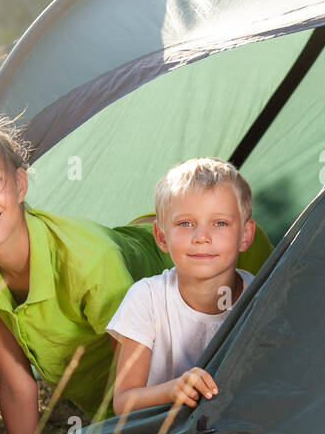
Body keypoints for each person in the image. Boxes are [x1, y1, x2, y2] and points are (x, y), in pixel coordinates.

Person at [0, 117, 269, 434]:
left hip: (199, 270)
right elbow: (16, 380)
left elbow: (132, 395)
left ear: (20, 184)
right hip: (144, 379)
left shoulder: (90, 262)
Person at [107, 158, 258, 417]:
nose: (201, 237)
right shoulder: (146, 298)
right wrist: (172, 390)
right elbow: (123, 402)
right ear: (161, 237)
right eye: (185, 223)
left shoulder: (260, 296)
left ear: (245, 235)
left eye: (219, 223)